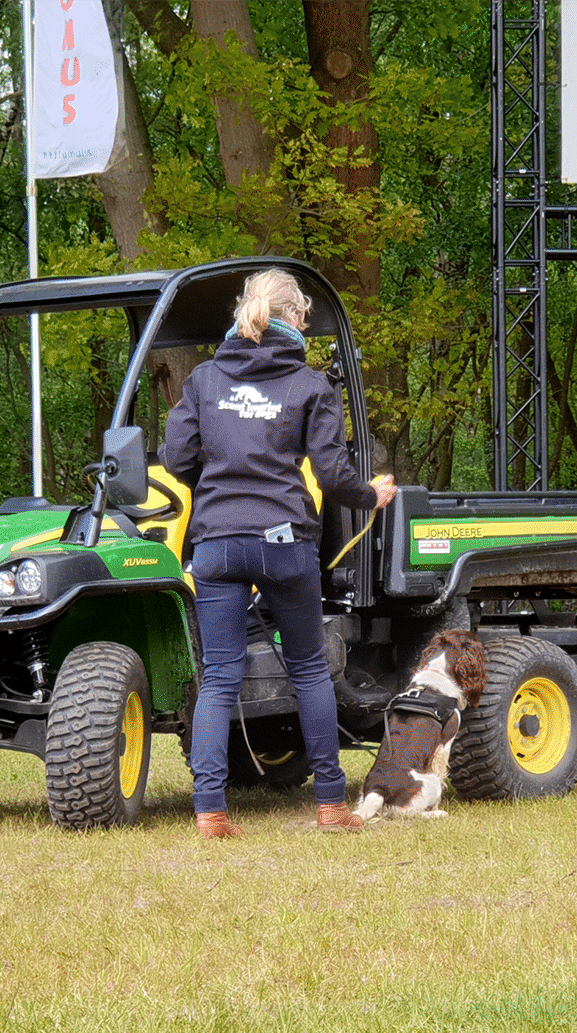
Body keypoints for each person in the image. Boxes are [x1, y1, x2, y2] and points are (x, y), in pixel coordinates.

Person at [162, 269, 397, 838]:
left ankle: (211, 813)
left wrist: (219, 483)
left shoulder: (204, 380)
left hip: (216, 542)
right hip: (286, 543)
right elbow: (336, 475)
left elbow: (175, 459)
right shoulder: (310, 386)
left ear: (243, 313)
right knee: (311, 670)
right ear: (296, 318)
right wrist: (373, 495)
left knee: (218, 676)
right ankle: (330, 807)